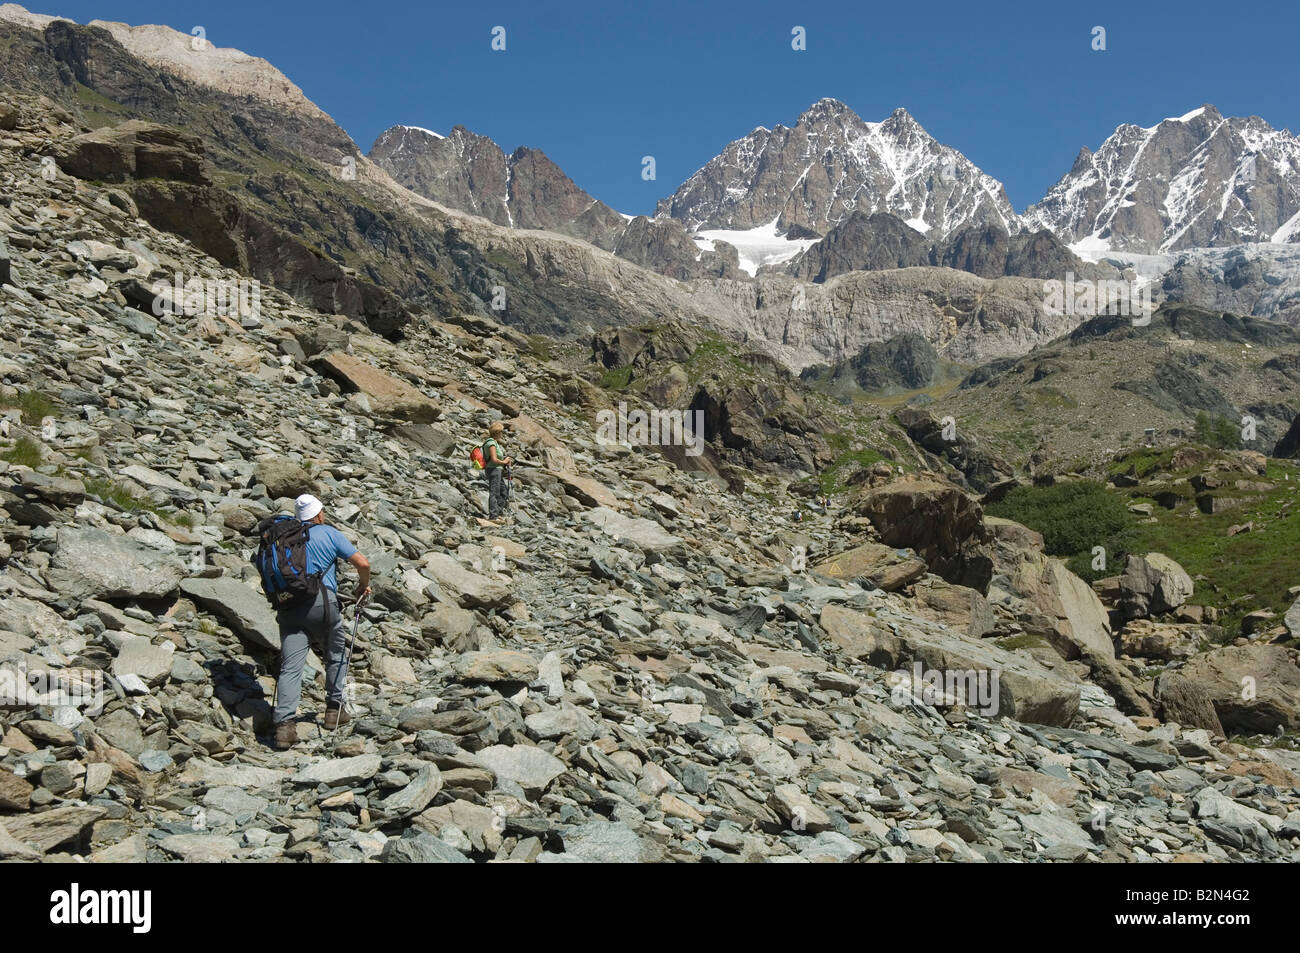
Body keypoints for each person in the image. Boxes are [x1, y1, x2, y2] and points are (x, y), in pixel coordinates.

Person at [271, 493, 371, 750]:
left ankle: (284, 727)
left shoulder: (281, 537)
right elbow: (363, 562)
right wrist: (363, 586)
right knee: (335, 653)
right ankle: (333, 711)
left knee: (291, 666)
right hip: (322, 604)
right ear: (318, 514)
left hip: (289, 605)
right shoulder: (328, 533)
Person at [482, 421, 513, 523]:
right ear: (496, 432)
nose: (502, 434)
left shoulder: (494, 443)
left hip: (497, 470)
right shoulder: (491, 443)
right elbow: (494, 459)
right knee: (494, 492)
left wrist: (505, 462)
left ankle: (498, 513)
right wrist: (504, 461)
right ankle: (493, 516)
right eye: (501, 432)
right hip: (493, 470)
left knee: (503, 492)